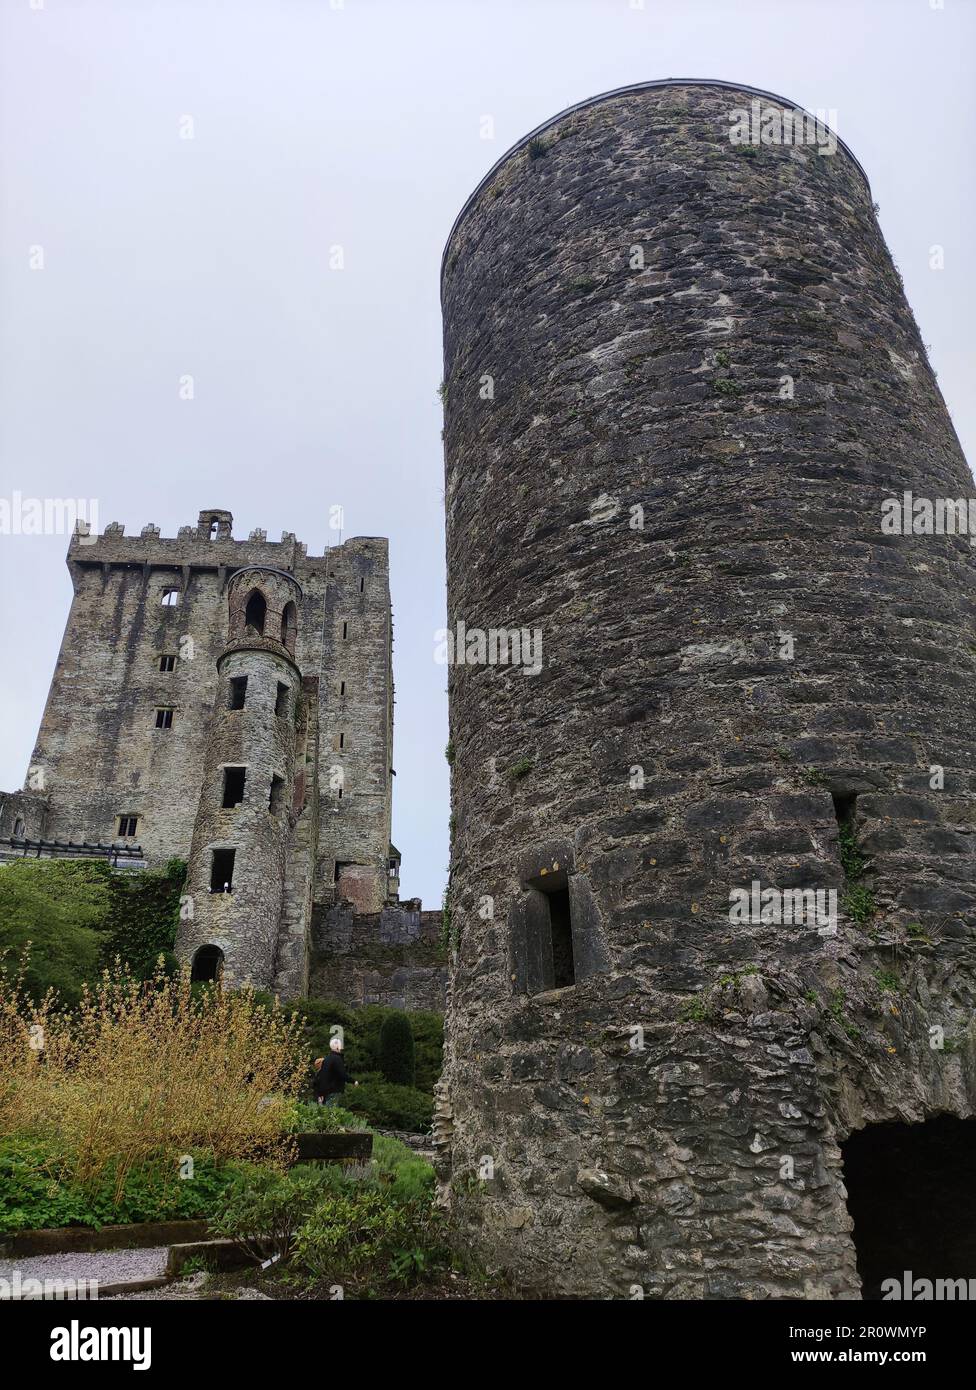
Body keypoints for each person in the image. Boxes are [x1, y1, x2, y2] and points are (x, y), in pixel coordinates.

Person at [313, 1035, 355, 1106]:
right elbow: (342, 1074)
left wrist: (320, 1093)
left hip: (325, 1091)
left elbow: (321, 1078)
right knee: (332, 1110)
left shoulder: (326, 1059)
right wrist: (353, 1081)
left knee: (326, 1109)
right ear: (337, 1047)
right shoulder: (337, 1059)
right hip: (334, 1089)